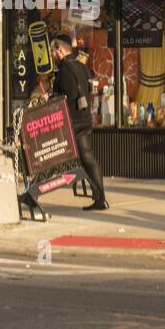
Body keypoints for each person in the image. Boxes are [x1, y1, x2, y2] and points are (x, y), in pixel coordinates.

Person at [51, 33, 107, 211]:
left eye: (52, 51)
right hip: (84, 120)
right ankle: (100, 198)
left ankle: (45, 186)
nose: (51, 55)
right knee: (87, 158)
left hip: (71, 123)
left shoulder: (65, 69)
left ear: (59, 50)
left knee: (52, 155)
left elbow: (66, 98)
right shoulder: (82, 66)